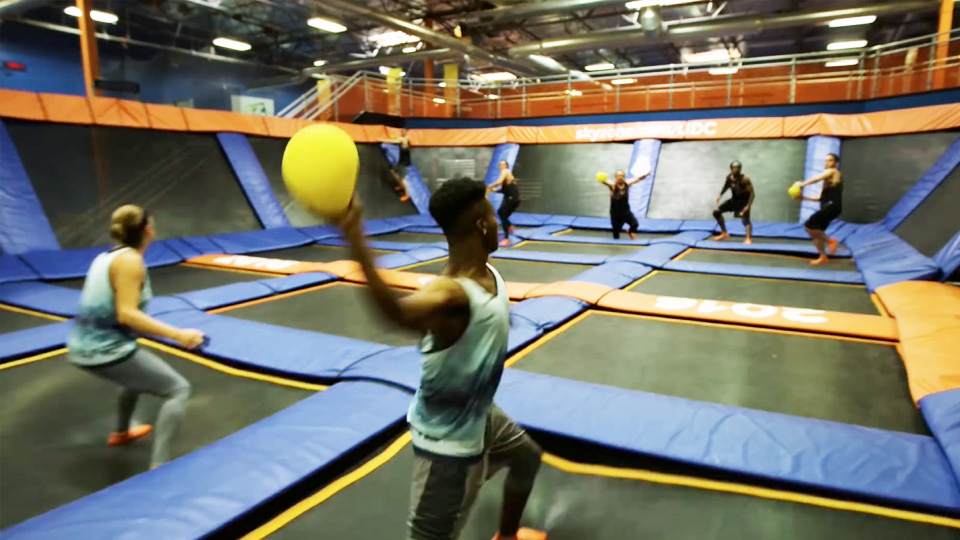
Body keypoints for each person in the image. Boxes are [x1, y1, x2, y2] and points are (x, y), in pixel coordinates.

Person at [336, 179, 546, 540]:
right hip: (447, 446)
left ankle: (508, 535)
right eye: (493, 215)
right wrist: (356, 238)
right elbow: (398, 315)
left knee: (527, 458)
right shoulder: (450, 293)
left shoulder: (488, 273)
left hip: (480, 414)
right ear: (482, 225)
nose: (498, 221)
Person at [67, 205, 205, 469]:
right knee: (178, 389)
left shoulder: (105, 257)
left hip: (82, 344)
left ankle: (121, 433)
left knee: (136, 374)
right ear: (147, 231)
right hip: (103, 349)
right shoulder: (131, 261)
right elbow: (127, 314)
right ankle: (159, 468)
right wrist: (179, 335)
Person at [797, 153, 843, 265]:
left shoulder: (833, 171)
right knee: (817, 233)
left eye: (830, 160)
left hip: (832, 206)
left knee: (809, 227)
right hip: (829, 206)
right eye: (826, 160)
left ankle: (830, 241)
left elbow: (817, 178)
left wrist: (802, 184)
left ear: (836, 163)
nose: (827, 163)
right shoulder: (829, 180)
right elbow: (820, 198)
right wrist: (803, 197)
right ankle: (823, 257)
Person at [712, 161, 755, 244]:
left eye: (738, 168)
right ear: (731, 169)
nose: (736, 170)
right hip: (734, 200)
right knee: (716, 212)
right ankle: (724, 233)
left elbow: (752, 193)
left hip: (743, 202)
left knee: (745, 220)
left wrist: (748, 206)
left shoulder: (745, 179)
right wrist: (720, 195)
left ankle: (748, 238)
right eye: (734, 168)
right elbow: (726, 186)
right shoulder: (729, 177)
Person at [599, 169, 648, 240]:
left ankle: (630, 231)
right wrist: (602, 179)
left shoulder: (627, 184)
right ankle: (615, 247)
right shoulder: (612, 185)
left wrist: (645, 175)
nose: (620, 177)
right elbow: (605, 181)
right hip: (615, 213)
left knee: (635, 224)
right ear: (615, 177)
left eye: (622, 176)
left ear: (624, 177)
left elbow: (637, 179)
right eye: (618, 176)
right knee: (616, 232)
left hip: (625, 211)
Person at [487, 160, 521, 247]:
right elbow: (506, 190)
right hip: (513, 197)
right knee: (502, 214)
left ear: (506, 166)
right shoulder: (507, 175)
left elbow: (499, 182)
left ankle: (506, 239)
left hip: (513, 198)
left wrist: (490, 186)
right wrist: (496, 191)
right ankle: (509, 226)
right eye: (500, 165)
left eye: (503, 164)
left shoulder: (505, 171)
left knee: (502, 214)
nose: (501, 166)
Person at [387, 128, 412, 202]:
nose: (401, 132)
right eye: (401, 131)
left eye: (403, 131)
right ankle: (401, 186)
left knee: (403, 178)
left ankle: (407, 194)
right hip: (401, 161)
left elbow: (397, 141)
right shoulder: (404, 139)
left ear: (406, 132)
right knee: (393, 171)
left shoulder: (404, 139)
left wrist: (385, 140)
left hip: (404, 162)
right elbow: (397, 140)